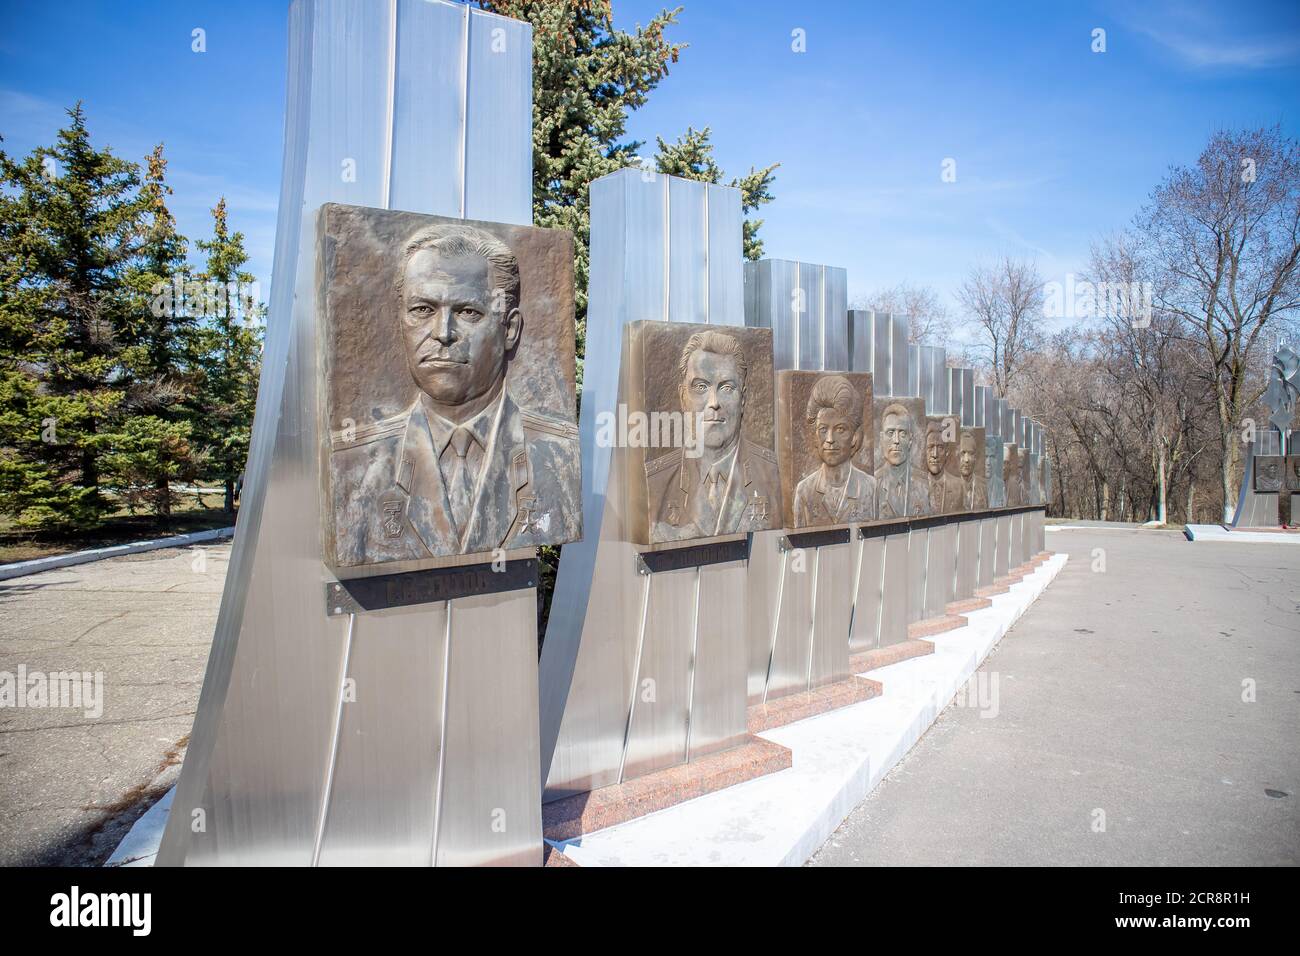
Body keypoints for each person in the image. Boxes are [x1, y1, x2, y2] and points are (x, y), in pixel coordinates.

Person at [330, 223, 580, 563]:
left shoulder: (559, 456)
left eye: (467, 312)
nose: (442, 333)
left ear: (510, 329)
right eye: (422, 310)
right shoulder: (353, 464)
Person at [645, 330, 780, 541]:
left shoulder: (772, 474)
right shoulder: (654, 482)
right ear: (683, 397)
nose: (713, 402)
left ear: (743, 398)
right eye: (701, 386)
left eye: (727, 388)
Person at [791, 375, 876, 526]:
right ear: (815, 436)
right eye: (823, 429)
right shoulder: (804, 491)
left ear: (855, 436)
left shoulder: (870, 487)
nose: (830, 439)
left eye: (840, 429)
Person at [875, 402, 930, 518]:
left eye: (902, 434)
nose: (896, 440)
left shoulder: (924, 483)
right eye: (890, 433)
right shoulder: (873, 484)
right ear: (881, 439)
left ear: (910, 440)